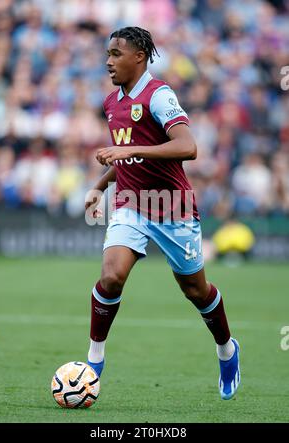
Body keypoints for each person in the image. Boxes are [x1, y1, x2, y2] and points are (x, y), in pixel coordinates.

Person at [85, 26, 240, 400]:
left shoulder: (160, 95)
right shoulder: (111, 102)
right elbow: (128, 154)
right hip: (131, 204)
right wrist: (100, 186)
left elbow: (188, 147)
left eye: (116, 54)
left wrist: (127, 151)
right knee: (111, 277)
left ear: (139, 57)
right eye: (107, 53)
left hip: (172, 206)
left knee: (195, 290)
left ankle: (227, 350)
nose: (108, 60)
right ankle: (94, 360)